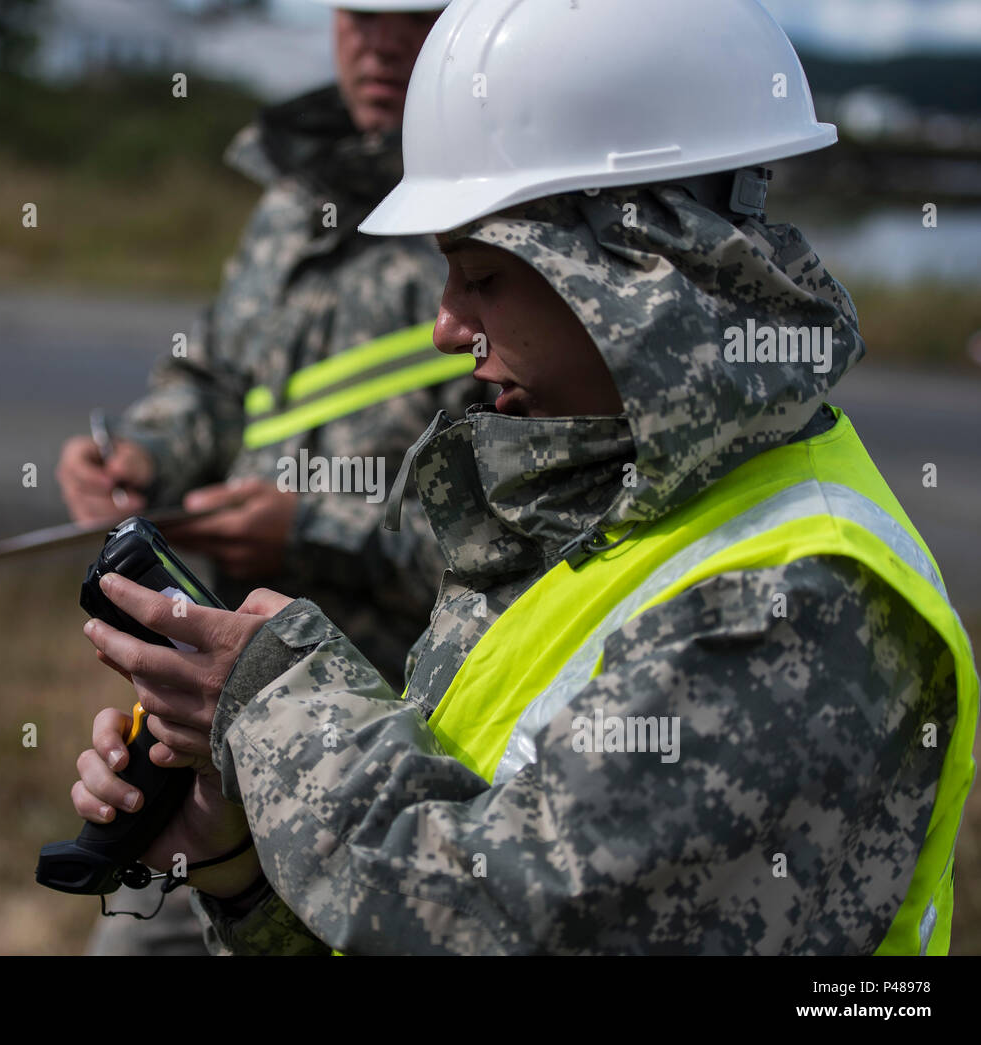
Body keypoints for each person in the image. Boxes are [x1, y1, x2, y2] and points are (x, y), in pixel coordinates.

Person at [68, 0, 979, 954]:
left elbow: (521, 923)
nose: (446, 326)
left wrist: (273, 708)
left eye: (484, 275)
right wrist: (239, 865)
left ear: (637, 268)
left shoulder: (793, 598)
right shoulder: (586, 502)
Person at [59, 0, 475, 954]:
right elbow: (215, 375)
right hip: (212, 725)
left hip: (386, 741)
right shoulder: (292, 195)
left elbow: (525, 531)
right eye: (355, 14)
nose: (377, 41)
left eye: (410, 16)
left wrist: (306, 529)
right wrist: (140, 454)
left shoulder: (494, 222)